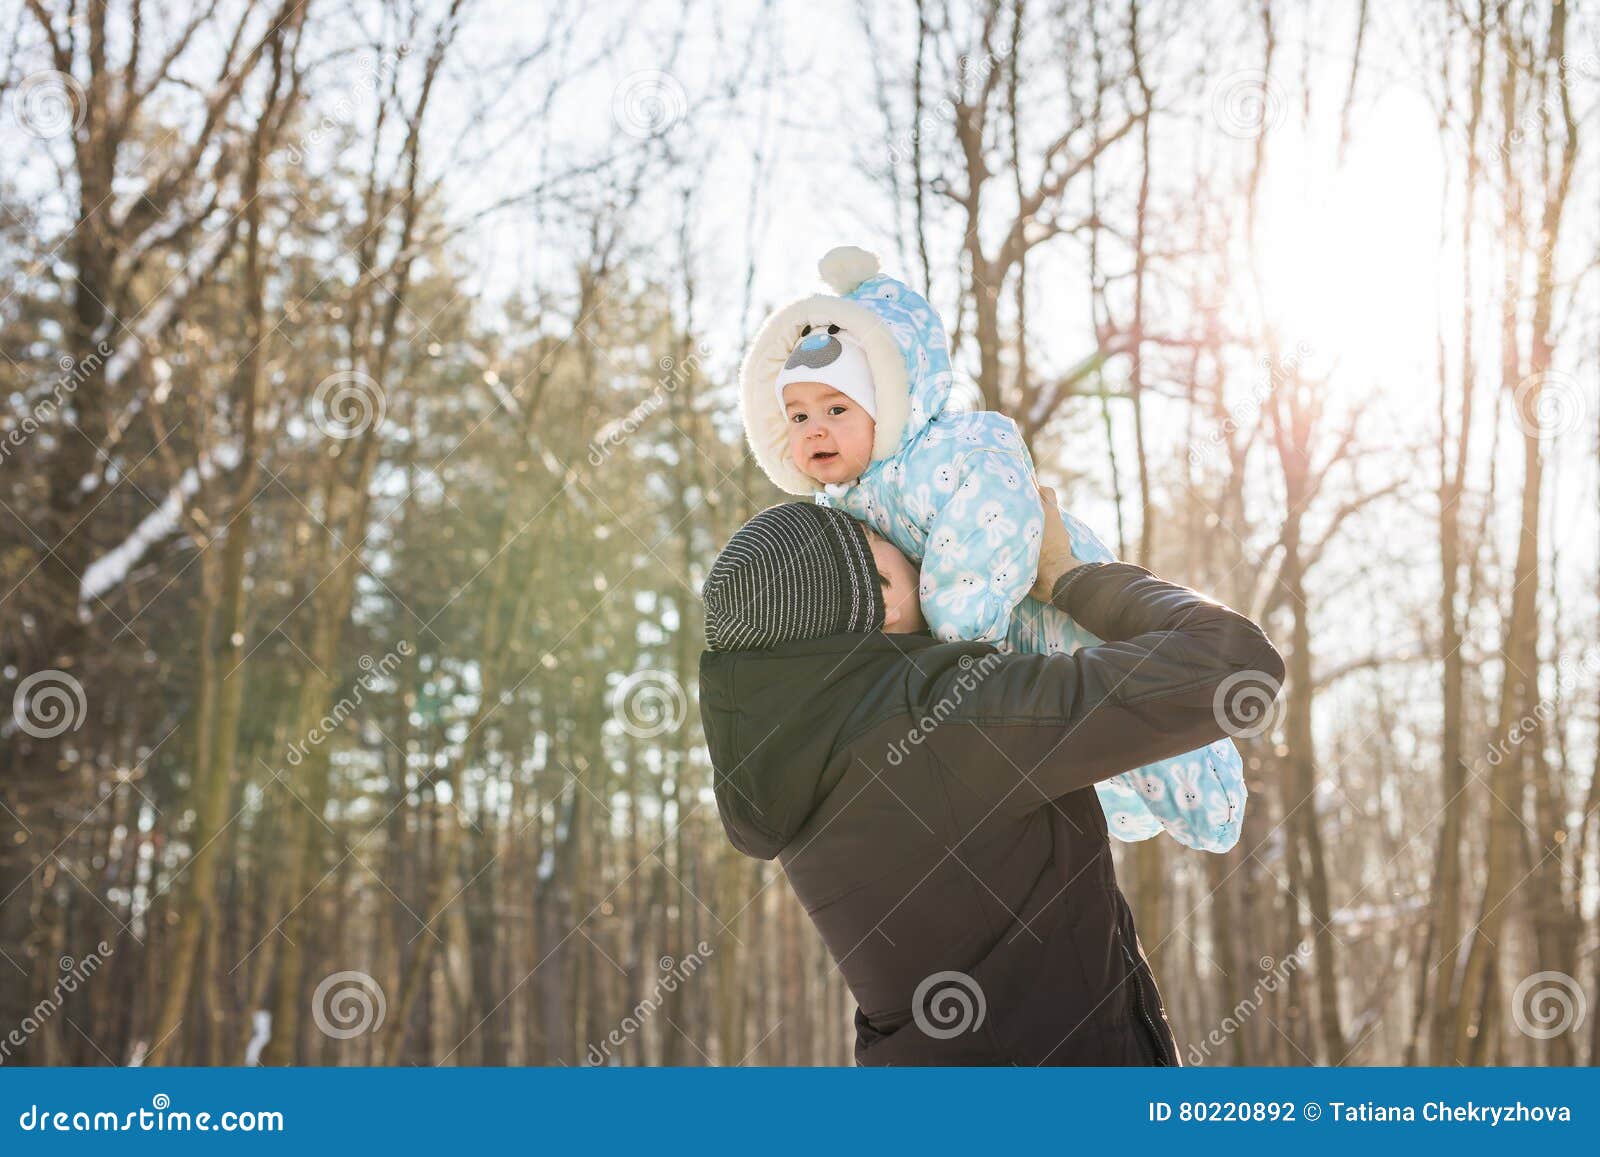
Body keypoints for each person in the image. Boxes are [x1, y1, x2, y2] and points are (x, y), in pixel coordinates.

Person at [698, 490, 1285, 1065]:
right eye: (883, 540)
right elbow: (1235, 664)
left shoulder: (797, 766)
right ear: (880, 596)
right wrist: (1067, 576)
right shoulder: (943, 723)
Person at [737, 245, 1245, 852]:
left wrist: (954, 636)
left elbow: (991, 513)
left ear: (894, 402)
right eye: (796, 417)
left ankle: (1214, 797)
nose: (813, 429)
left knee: (1129, 695)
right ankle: (1129, 807)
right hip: (995, 646)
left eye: (837, 408)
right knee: (1075, 745)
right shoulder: (837, 507)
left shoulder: (948, 451)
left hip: (1045, 599)